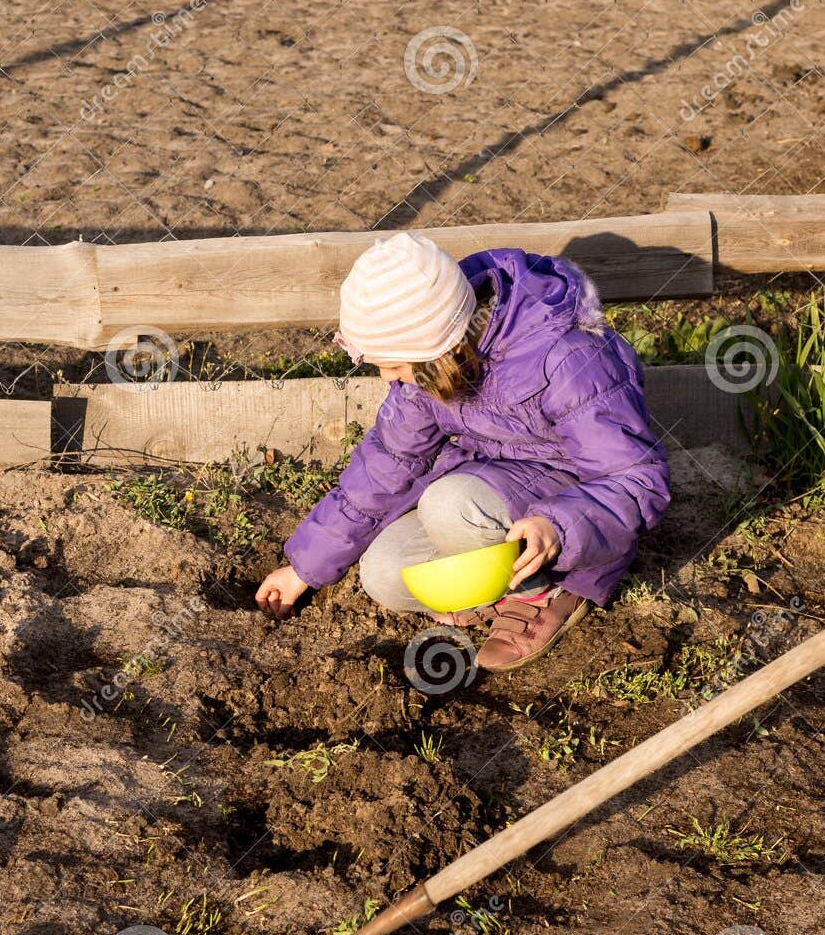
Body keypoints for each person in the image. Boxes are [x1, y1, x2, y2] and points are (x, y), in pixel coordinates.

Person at [255, 231, 670, 671]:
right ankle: (498, 585)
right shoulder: (428, 370)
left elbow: (637, 478)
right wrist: (304, 569)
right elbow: (387, 464)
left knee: (450, 504)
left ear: (439, 347)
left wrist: (558, 526)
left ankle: (550, 588)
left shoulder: (566, 355)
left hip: (574, 497)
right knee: (384, 573)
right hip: (493, 486)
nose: (386, 379)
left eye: (393, 365)